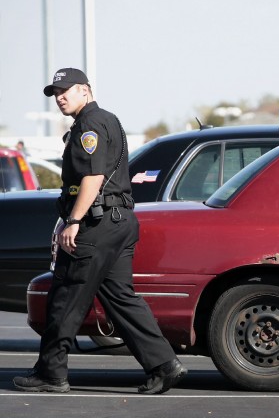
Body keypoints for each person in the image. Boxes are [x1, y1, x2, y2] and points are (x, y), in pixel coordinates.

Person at [13, 68, 187, 394]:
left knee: (65, 296)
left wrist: (74, 221)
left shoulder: (89, 125)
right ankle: (164, 365)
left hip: (96, 224)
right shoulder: (108, 119)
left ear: (85, 90)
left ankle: (51, 372)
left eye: (66, 90)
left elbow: (92, 178)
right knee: (120, 298)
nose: (60, 97)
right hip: (119, 222)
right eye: (56, 93)